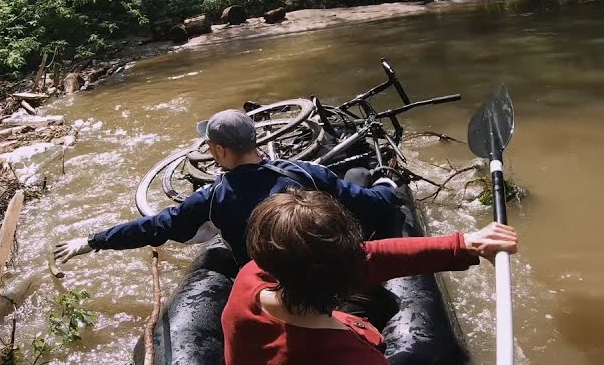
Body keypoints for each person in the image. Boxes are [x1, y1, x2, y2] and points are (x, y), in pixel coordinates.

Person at [223, 188, 518, 365]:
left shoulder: (250, 277)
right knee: (383, 301)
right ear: (347, 267)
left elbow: (372, 258)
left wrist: (463, 243)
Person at [52, 109, 400, 266]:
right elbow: (372, 203)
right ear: (255, 139)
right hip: (325, 266)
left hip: (266, 277)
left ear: (219, 150)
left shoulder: (212, 198)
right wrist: (388, 182)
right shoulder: (305, 172)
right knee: (358, 172)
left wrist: (92, 241)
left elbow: (154, 227)